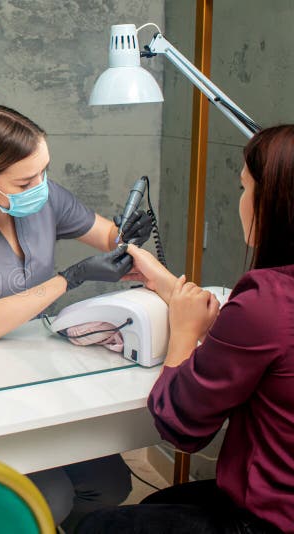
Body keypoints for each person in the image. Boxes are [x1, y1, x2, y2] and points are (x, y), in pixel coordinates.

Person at [0, 105, 152, 528]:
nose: (40, 186)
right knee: (50, 497)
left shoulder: (42, 196)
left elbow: (108, 236)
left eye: (44, 171)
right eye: (25, 180)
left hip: (40, 366)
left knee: (111, 485)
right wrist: (73, 276)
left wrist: (130, 244)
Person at [78, 125, 294, 533]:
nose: (241, 202)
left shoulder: (266, 300)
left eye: (245, 189)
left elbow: (181, 426)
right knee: (163, 502)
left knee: (100, 526)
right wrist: (163, 281)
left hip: (268, 520)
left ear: (275, 202)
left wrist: (183, 333)